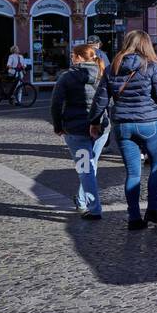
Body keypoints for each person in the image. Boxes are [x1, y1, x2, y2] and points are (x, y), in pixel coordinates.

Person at [107, 30, 157, 230]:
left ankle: (134, 217)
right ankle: (152, 209)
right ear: (147, 45)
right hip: (149, 123)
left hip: (122, 124)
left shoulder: (113, 66)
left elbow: (102, 98)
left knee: (133, 173)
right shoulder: (152, 66)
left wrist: (95, 121)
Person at [50, 43, 110, 220]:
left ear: (80, 57)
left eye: (73, 55)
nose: (71, 57)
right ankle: (82, 200)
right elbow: (110, 102)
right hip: (101, 129)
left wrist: (58, 126)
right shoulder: (102, 74)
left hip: (77, 131)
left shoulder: (67, 77)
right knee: (91, 166)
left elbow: (56, 104)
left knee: (85, 169)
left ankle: (94, 208)